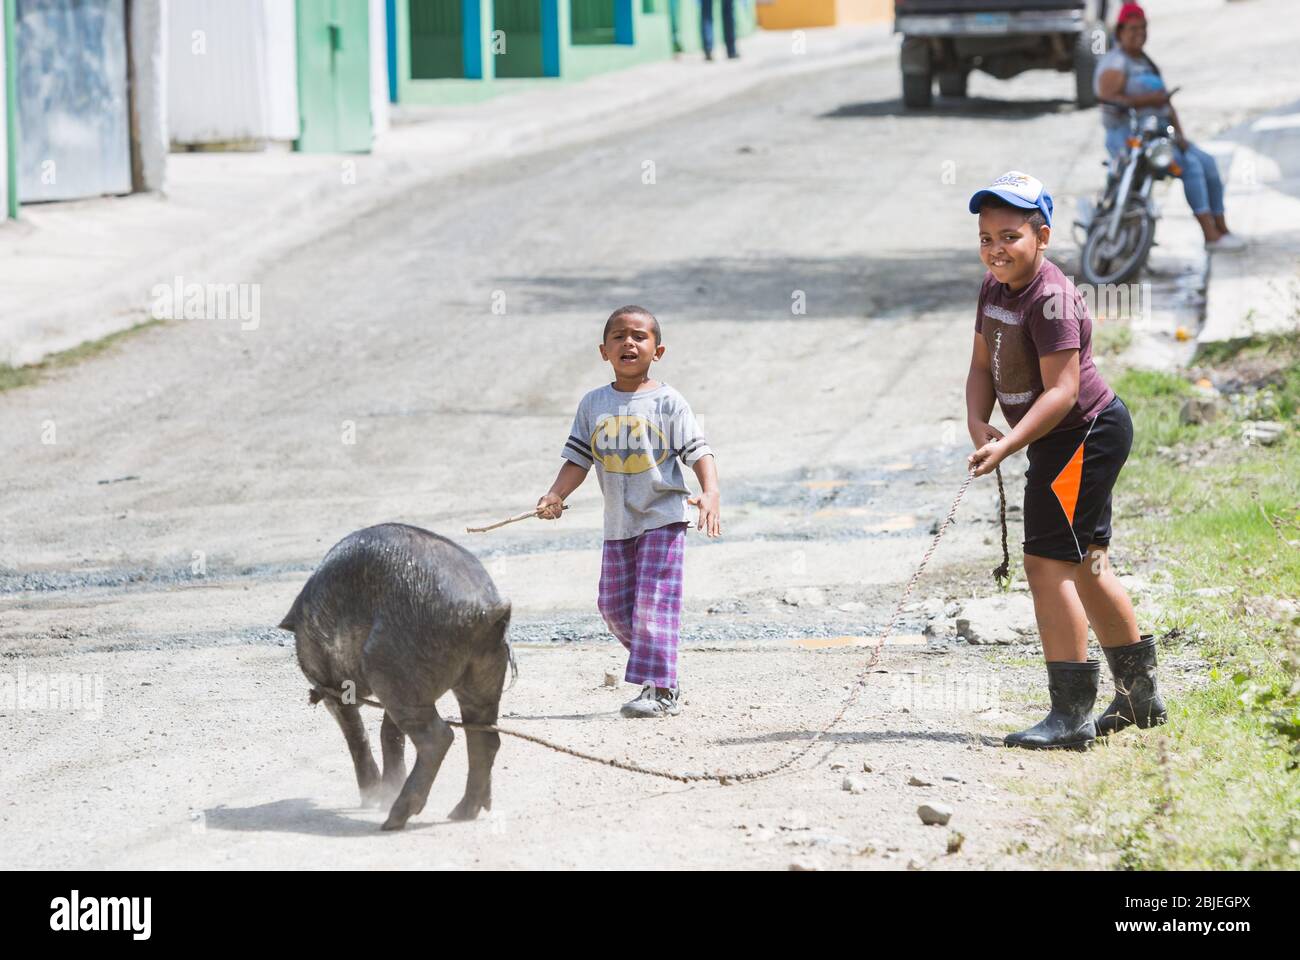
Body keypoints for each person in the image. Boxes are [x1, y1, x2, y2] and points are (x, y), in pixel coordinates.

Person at [964, 171, 1167, 750]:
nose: (996, 249)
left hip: (1084, 434)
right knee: (1086, 562)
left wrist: (1007, 443)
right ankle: (1139, 699)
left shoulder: (1050, 298)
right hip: (1063, 438)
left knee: (1045, 564)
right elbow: (983, 364)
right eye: (986, 238)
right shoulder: (993, 288)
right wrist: (979, 422)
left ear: (1043, 236)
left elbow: (1062, 391)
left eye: (1010, 236)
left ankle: (1070, 715)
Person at [537, 305, 721, 718]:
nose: (629, 343)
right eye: (619, 336)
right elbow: (577, 459)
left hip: (663, 516)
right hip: (619, 524)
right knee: (613, 606)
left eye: (640, 336)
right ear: (604, 351)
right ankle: (664, 673)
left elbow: (698, 451)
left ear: (658, 350)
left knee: (652, 604)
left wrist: (710, 493)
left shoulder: (668, 402)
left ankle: (656, 690)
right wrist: (555, 495)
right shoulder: (593, 404)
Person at [1093, 2, 1243, 251]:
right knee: (1191, 167)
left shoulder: (1145, 61)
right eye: (1133, 29)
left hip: (1163, 133)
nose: (1139, 34)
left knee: (1207, 162)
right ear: (1119, 32)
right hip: (1134, 138)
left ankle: (1221, 227)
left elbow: (1165, 103)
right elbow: (1109, 101)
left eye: (1143, 29)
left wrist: (1181, 135)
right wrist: (1148, 101)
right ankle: (1210, 235)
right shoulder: (1115, 63)